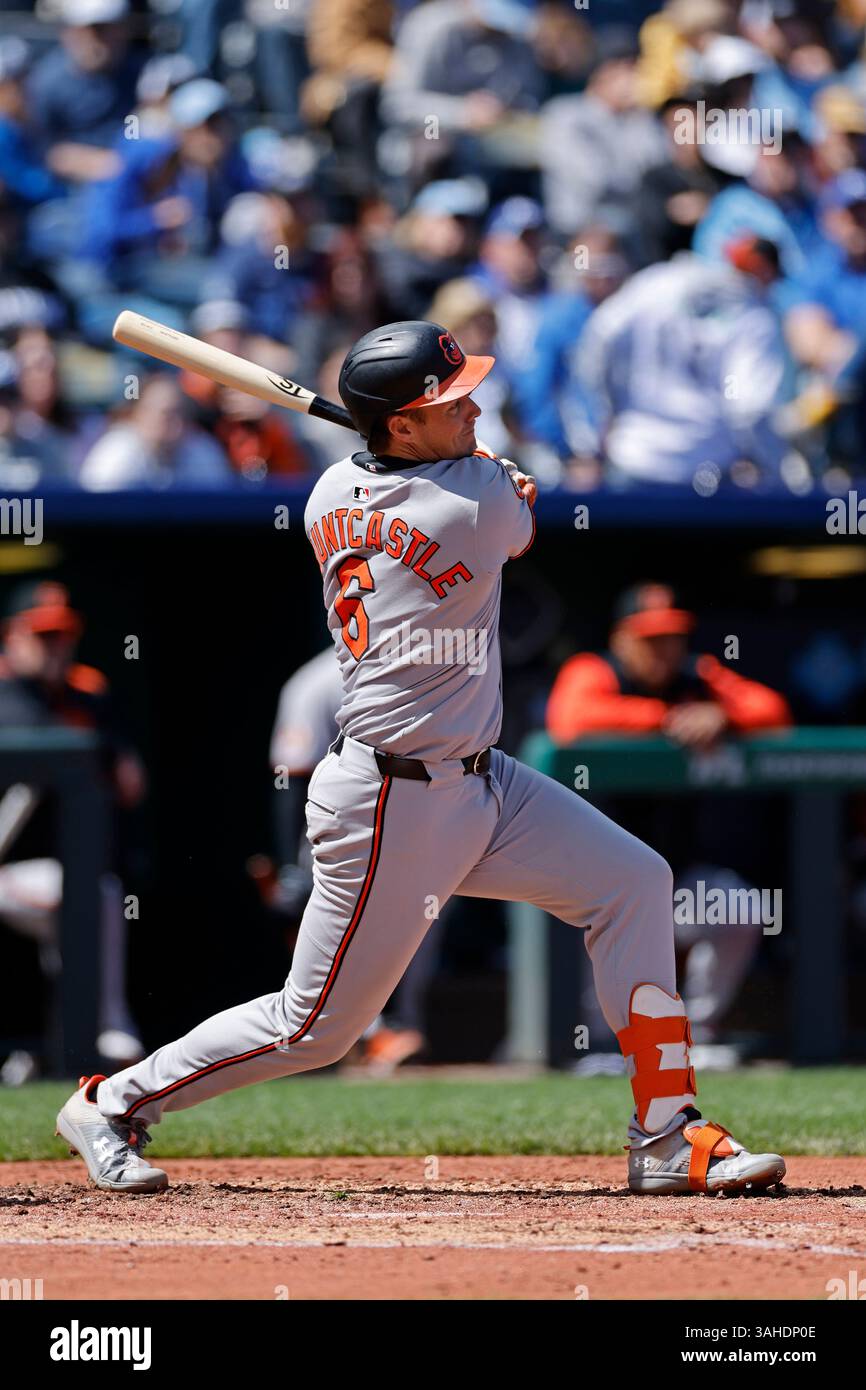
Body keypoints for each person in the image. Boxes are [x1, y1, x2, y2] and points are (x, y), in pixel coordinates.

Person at [55, 320, 786, 1198]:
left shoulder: (333, 489)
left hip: (483, 779)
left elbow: (467, 484)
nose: (472, 405)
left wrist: (461, 458)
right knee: (315, 1029)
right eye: (448, 402)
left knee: (635, 880)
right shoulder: (470, 503)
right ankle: (112, 1101)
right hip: (389, 799)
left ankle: (667, 1135)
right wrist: (492, 475)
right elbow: (511, 509)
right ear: (399, 428)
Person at [546, 580, 794, 1067]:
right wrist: (667, 719)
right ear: (621, 639)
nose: (663, 649)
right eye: (648, 638)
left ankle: (693, 1035)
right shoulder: (595, 670)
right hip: (585, 883)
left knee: (738, 907)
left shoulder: (699, 675)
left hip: (671, 878)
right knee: (587, 923)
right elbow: (572, 719)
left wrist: (721, 715)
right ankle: (599, 1045)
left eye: (671, 636)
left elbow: (774, 711)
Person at [0, 582, 146, 1083]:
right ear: (11, 637)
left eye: (61, 636)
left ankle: (85, 1043)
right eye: (41, 636)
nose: (54, 647)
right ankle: (99, 1031)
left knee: (87, 894)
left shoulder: (87, 692)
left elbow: (131, 784)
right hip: (7, 863)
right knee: (83, 896)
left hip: (51, 870)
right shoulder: (6, 692)